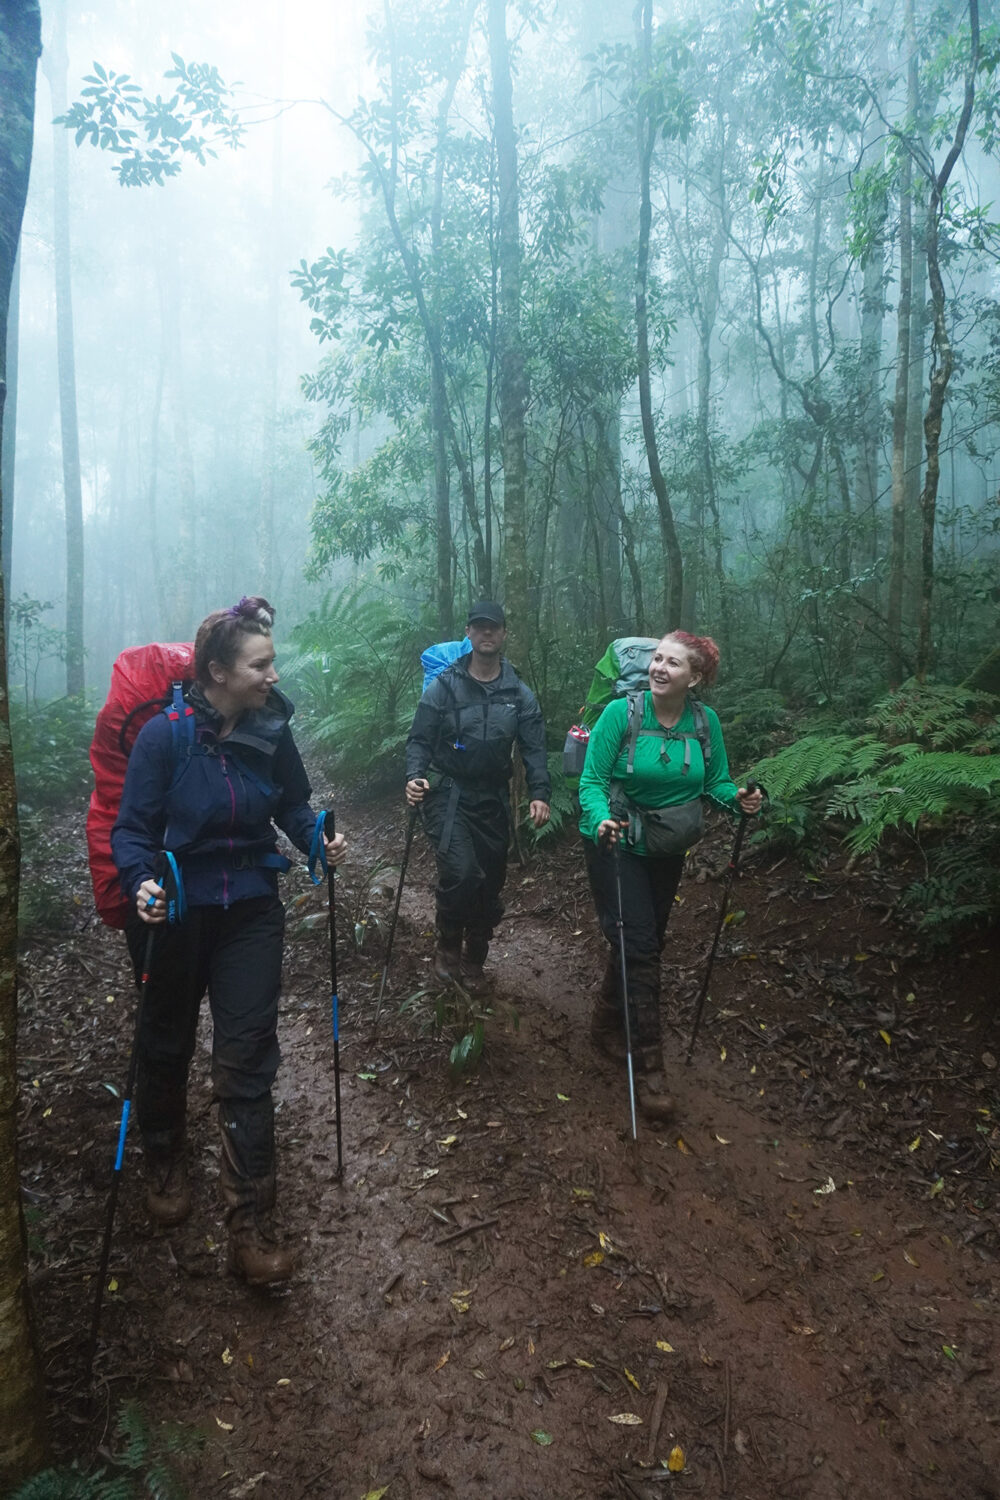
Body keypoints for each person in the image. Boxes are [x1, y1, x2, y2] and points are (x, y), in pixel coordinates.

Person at [111, 597, 347, 1285]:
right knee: (166, 1043)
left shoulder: (272, 730)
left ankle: (250, 1225)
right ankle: (164, 1156)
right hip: (176, 911)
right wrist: (141, 883)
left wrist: (316, 839)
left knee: (246, 1059)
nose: (274, 675)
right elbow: (131, 830)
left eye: (272, 662)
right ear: (218, 672)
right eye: (260, 665)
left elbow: (293, 806)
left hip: (249, 909)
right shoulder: (165, 738)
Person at [578, 630, 762, 1122]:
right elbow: (592, 781)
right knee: (640, 946)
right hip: (615, 840)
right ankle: (650, 1068)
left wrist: (740, 801)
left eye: (672, 663)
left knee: (642, 941)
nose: (659, 668)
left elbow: (716, 782)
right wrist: (600, 818)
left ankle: (605, 1025)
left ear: (695, 678)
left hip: (666, 847)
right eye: (656, 659)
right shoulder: (621, 714)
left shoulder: (704, 722)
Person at [405, 602, 551, 989]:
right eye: (480, 626)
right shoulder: (444, 686)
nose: (487, 633)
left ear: (503, 634)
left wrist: (540, 793)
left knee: (490, 882)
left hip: (493, 796)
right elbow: (419, 739)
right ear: (468, 632)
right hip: (448, 792)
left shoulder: (518, 693)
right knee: (462, 871)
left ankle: (475, 957)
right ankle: (448, 949)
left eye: (494, 627)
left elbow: (534, 748)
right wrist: (415, 776)